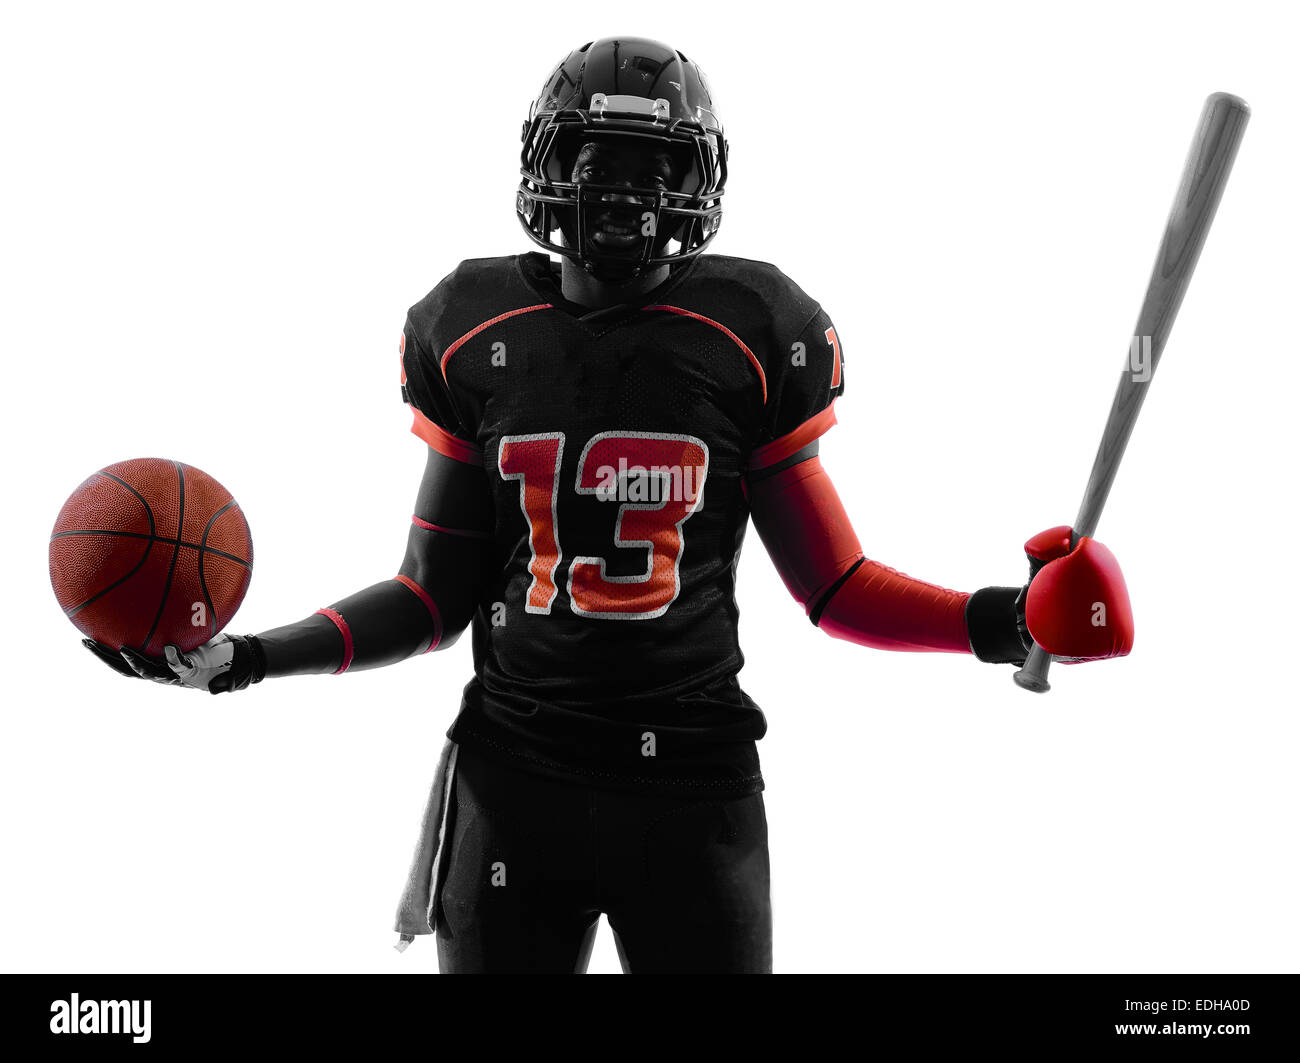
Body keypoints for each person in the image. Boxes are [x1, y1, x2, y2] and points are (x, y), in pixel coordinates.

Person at [85, 36, 1133, 973]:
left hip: (692, 787)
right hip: (514, 781)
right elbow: (429, 596)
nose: (624, 191)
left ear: (700, 180)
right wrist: (250, 657)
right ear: (546, 169)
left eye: (653, 166)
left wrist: (1006, 617)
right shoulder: (468, 327)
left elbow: (835, 586)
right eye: (597, 161)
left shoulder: (752, 328)